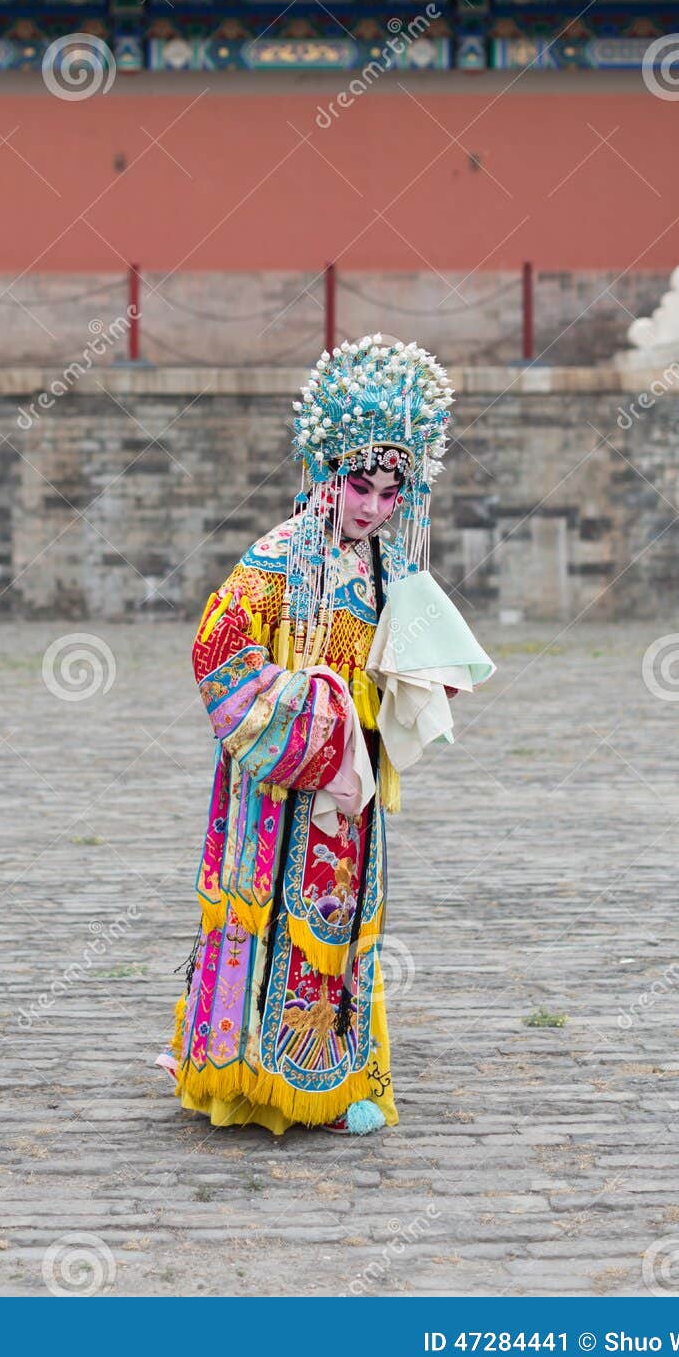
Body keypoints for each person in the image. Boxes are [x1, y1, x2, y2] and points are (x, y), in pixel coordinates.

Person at [155, 334, 492, 1135]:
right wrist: (313, 712)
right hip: (276, 780)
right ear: (325, 474)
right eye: (358, 486)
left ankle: (329, 1079)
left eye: (388, 494)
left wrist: (416, 683)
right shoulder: (276, 559)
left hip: (349, 792)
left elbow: (419, 666)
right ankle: (239, 1076)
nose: (370, 508)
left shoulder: (390, 570)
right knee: (260, 914)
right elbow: (216, 651)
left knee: (335, 924)